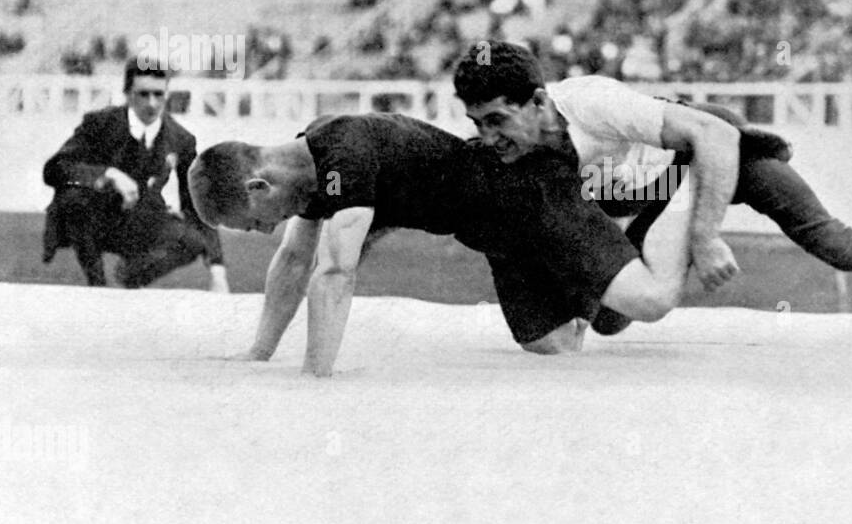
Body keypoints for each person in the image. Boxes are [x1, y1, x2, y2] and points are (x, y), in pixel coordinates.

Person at [454, 41, 852, 364]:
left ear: (541, 101)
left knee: (824, 233)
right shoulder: (513, 158)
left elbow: (711, 137)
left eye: (497, 120)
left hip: (712, 156)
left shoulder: (591, 102)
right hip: (661, 197)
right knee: (609, 320)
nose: (489, 136)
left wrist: (704, 238)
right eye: (478, 125)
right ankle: (682, 233)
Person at [187, 111, 701, 376]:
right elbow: (295, 257)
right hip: (494, 235)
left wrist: (315, 377)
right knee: (558, 343)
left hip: (528, 200)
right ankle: (618, 239)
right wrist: (260, 351)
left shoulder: (345, 155)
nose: (264, 232)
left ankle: (667, 197)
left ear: (260, 185)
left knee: (645, 302)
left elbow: (336, 271)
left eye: (253, 223)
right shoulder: (309, 167)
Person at [42, 57, 227, 290]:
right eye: (143, 94)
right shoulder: (99, 124)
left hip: (138, 220)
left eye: (159, 94)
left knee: (190, 239)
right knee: (73, 198)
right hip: (96, 215)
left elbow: (198, 203)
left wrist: (217, 269)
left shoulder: (181, 139)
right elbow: (54, 169)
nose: (152, 104)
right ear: (128, 94)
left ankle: (128, 281)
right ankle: (97, 285)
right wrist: (107, 174)